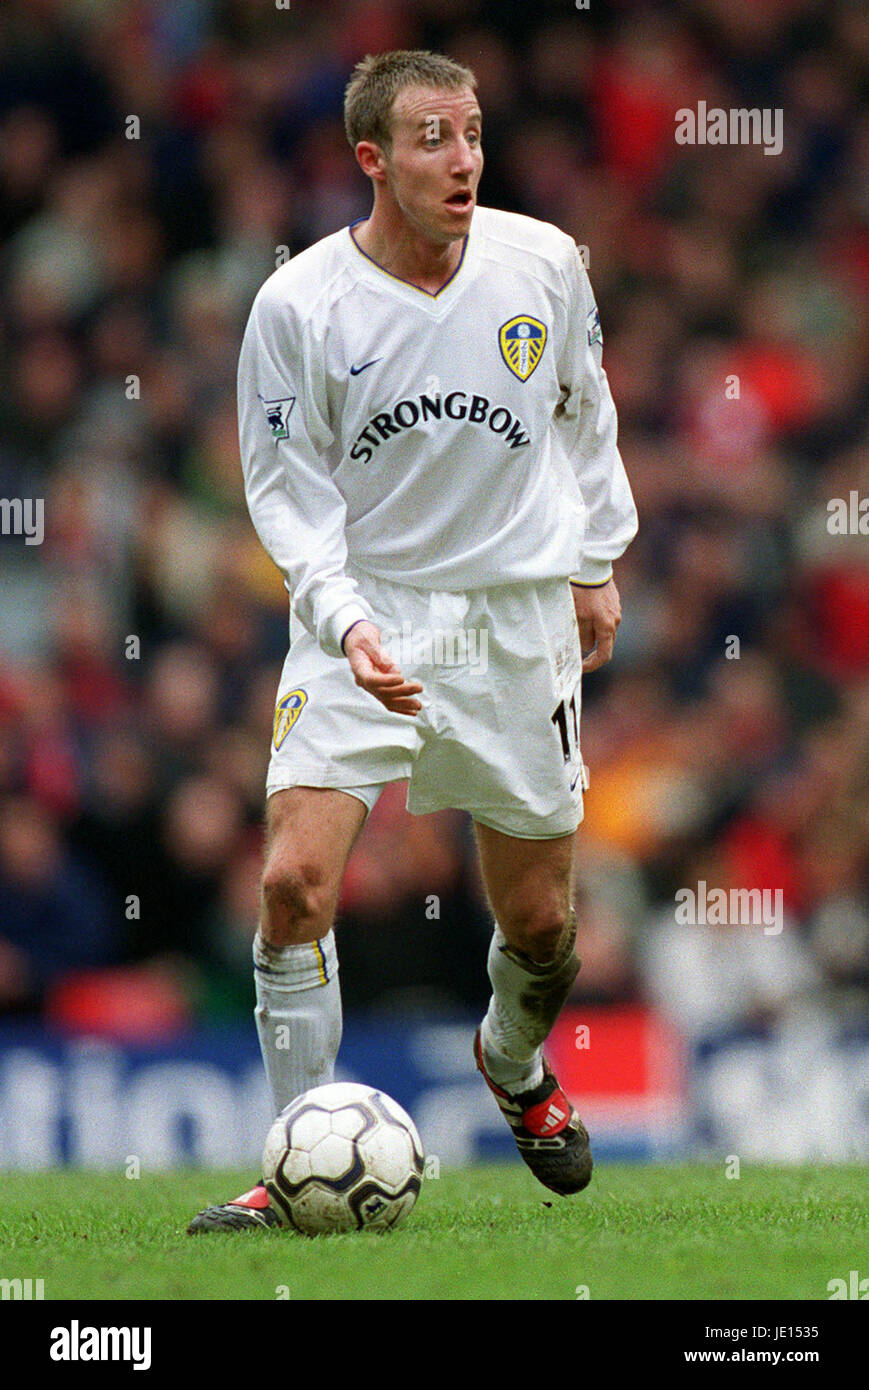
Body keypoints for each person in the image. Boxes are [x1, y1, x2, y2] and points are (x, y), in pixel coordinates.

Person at [188, 49, 637, 1232]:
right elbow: (285, 498)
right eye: (433, 138)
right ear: (370, 160)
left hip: (512, 617)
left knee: (541, 928)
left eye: (474, 133)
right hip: (369, 608)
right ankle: (296, 1164)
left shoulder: (542, 263)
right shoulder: (299, 306)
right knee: (290, 882)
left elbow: (584, 419)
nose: (464, 160)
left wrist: (593, 566)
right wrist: (347, 626)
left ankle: (510, 1059)